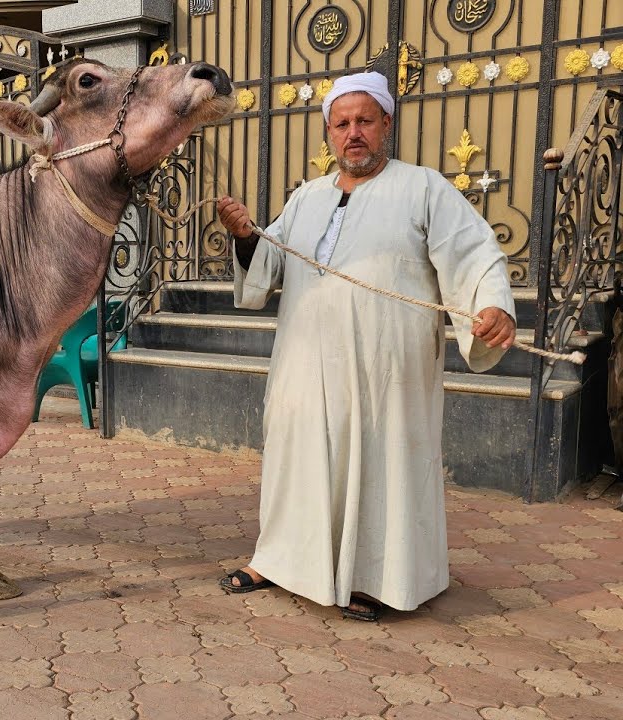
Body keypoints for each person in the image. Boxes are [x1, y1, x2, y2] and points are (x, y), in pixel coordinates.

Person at [214, 72, 516, 621]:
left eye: (365, 121)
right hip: (303, 363)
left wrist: (491, 304)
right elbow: (269, 268)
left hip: (384, 368)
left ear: (386, 126)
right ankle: (278, 559)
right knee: (295, 458)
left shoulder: (423, 187)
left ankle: (377, 577)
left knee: (384, 463)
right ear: (329, 133)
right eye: (342, 123)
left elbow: (475, 251)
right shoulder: (306, 198)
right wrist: (244, 236)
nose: (354, 133)